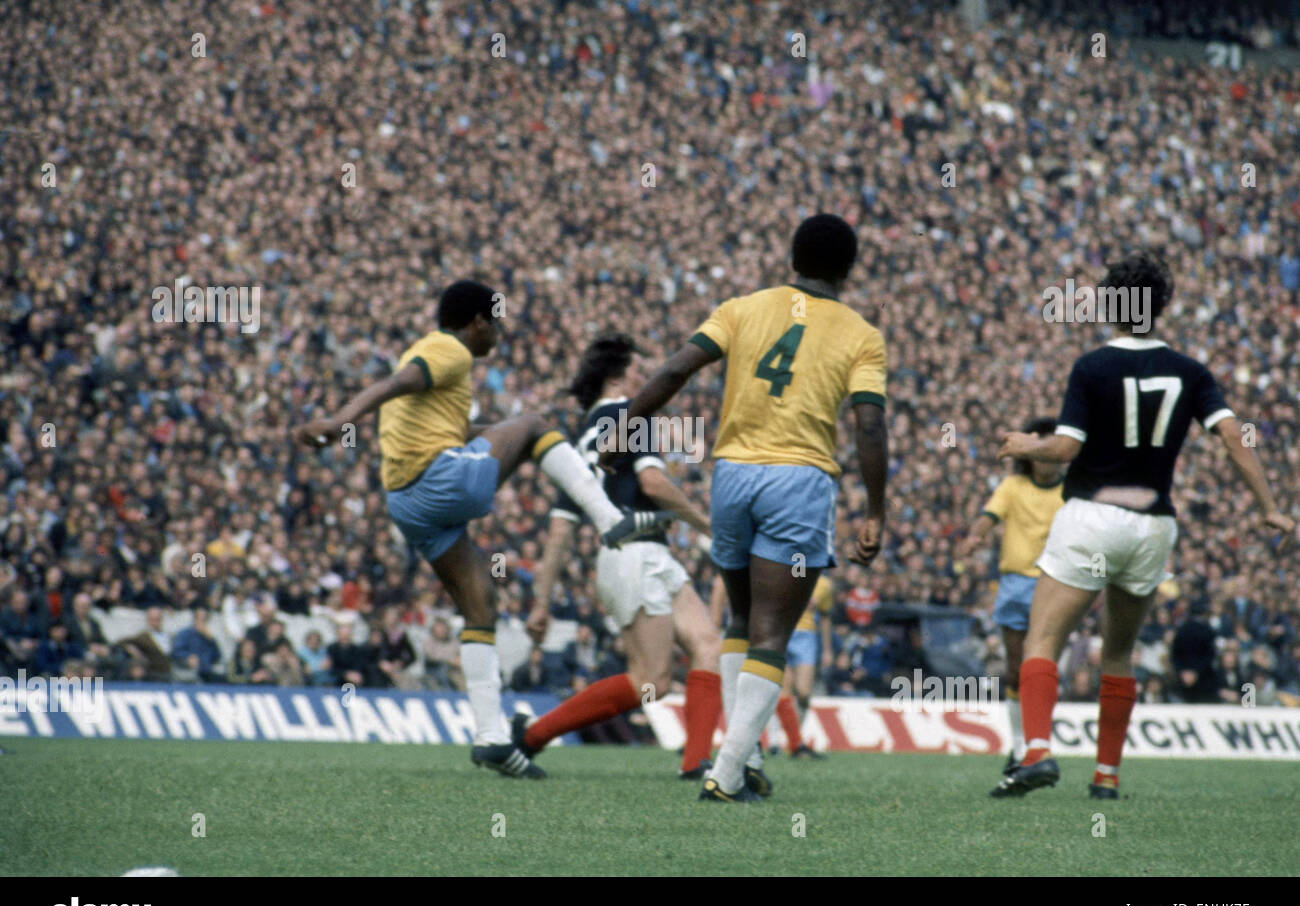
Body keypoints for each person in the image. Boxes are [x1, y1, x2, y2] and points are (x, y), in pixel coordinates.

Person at [293, 280, 673, 779]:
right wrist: (337, 420)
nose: (498, 333)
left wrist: (499, 436)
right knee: (537, 425)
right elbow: (393, 386)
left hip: (407, 502)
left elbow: (443, 424)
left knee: (479, 604)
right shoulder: (447, 350)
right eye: (495, 322)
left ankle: (492, 738)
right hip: (437, 480)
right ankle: (609, 519)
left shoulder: (440, 364)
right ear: (476, 322)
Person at [992, 251, 1293, 800]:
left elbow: (1064, 448)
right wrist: (1269, 505)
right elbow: (1232, 437)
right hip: (1153, 525)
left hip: (1091, 515)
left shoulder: (1092, 367)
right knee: (1119, 652)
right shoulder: (1191, 372)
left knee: (1043, 638)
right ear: (1164, 306)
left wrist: (1024, 443)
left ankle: (1035, 752)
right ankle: (1106, 776)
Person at [610, 213, 889, 802]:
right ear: (849, 268)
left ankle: (748, 757)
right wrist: (876, 510)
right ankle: (728, 772)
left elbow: (674, 369)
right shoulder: (862, 334)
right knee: (772, 633)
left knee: (740, 621)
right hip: (799, 480)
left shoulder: (741, 308)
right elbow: (869, 425)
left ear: (792, 257)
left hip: (732, 477)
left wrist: (624, 429)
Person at [520, 334, 723, 779]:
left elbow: (559, 533)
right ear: (618, 378)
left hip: (643, 554)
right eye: (639, 368)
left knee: (708, 645)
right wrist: (708, 526)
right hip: (635, 553)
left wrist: (540, 603)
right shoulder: (628, 414)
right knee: (650, 682)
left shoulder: (575, 447)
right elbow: (653, 484)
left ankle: (697, 763)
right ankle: (534, 736)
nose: (646, 377)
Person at [956, 416, 1064, 774]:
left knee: (1042, 667)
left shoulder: (1073, 491)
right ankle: (1020, 748)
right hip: (1016, 585)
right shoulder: (1013, 485)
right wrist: (975, 537)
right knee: (1017, 671)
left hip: (1054, 584)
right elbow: (988, 517)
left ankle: (1037, 744)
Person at [770, 573, 833, 759]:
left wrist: (827, 649)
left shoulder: (824, 584)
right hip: (782, 631)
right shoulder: (784, 573)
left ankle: (796, 738)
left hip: (806, 637)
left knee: (804, 693)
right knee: (783, 688)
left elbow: (825, 617)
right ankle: (778, 742)